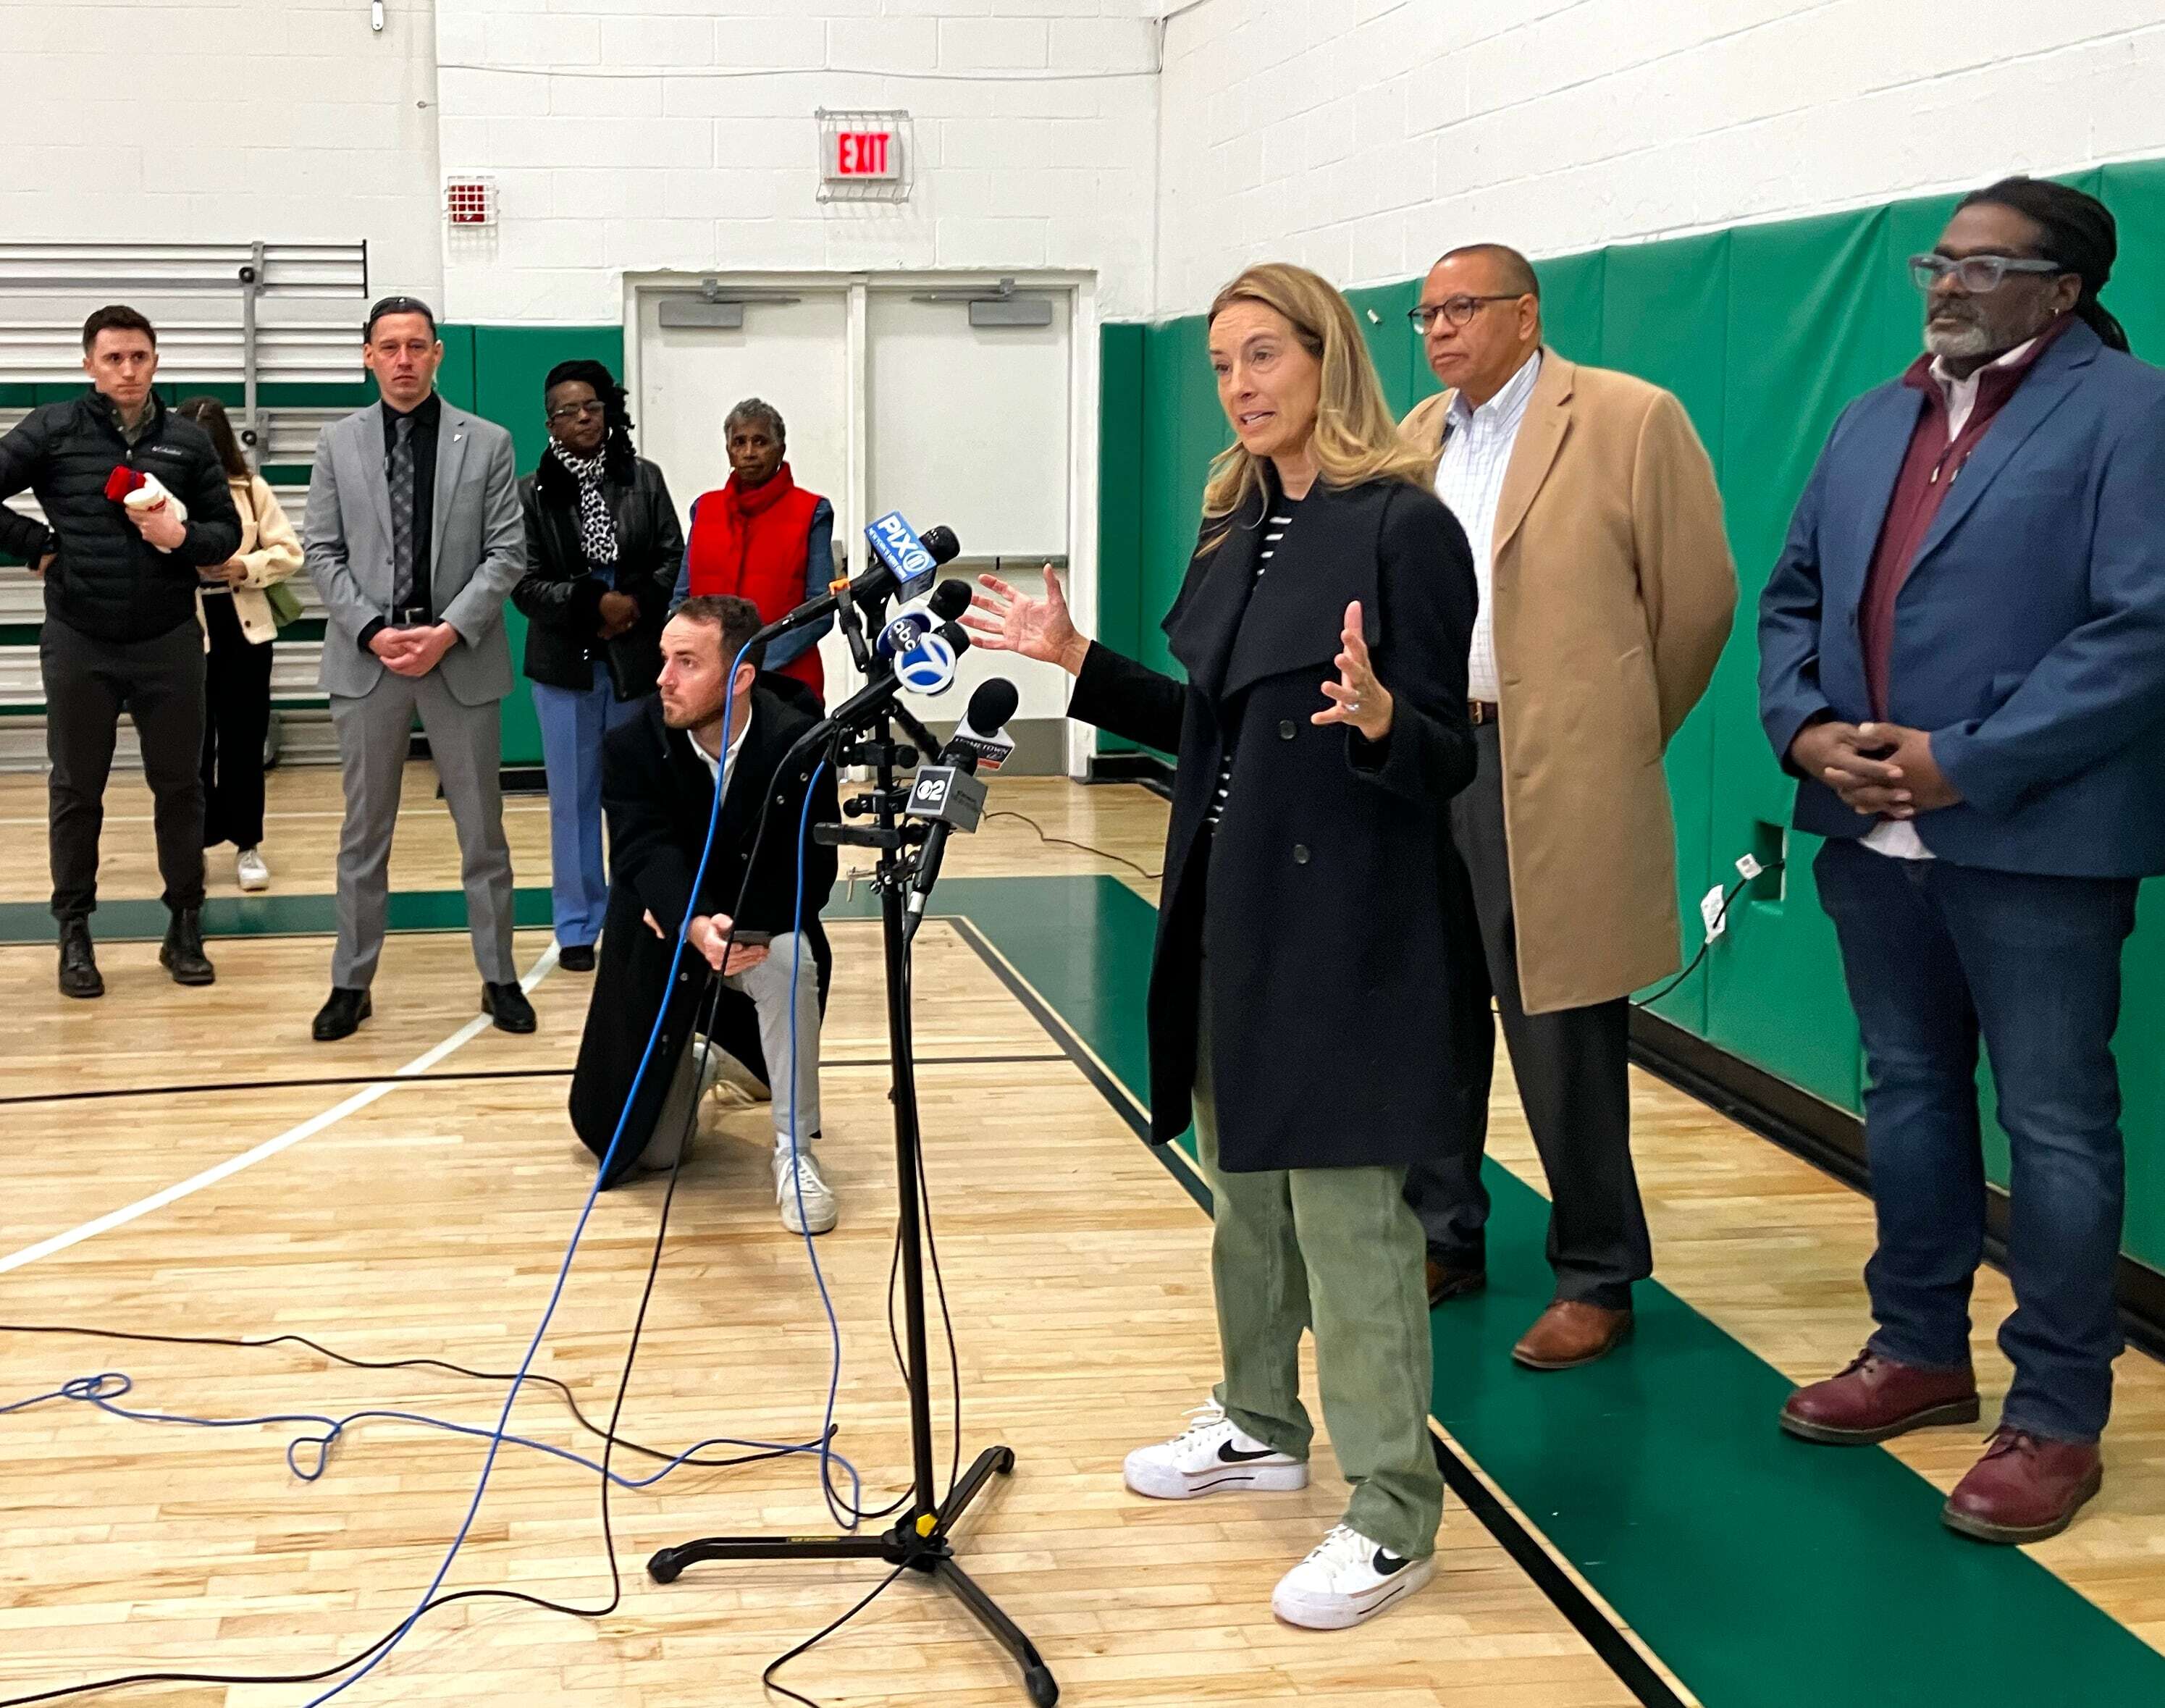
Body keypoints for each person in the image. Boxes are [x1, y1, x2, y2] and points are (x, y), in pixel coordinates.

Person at [966, 263, 1479, 1630]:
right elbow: (1209, 728)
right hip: (1228, 900)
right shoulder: (1229, 521)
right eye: (1222, 364)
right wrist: (1077, 654)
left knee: (1353, 1221)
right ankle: (1261, 1416)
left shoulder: (1404, 529)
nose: (1243, 383)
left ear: (1326, 359)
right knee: (1246, 1191)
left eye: (1265, 355)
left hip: (1356, 924)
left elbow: (1446, 756)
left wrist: (1379, 717)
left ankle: (1392, 1509)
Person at [1760, 177, 2165, 1545]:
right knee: (1910, 1088)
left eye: (1987, 267)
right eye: (1940, 260)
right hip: (1867, 831)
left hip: (2034, 838)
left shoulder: (2132, 412)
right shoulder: (1874, 416)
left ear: (2062, 290)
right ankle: (1918, 1345)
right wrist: (1810, 730)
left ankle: (2056, 1414)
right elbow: (1794, 597)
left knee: (2053, 1124)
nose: (1948, 284)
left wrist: (1964, 759)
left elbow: (2141, 633)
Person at [1396, 243, 1736, 1368]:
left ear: (1527, 312)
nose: (1440, 329)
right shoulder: (1415, 434)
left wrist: (1616, 732)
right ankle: (1444, 1235)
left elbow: (1694, 603)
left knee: (1562, 1032)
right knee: (1431, 1009)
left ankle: (1596, 1272)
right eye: (1425, 314)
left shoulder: (1630, 420)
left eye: (1462, 308)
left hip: (1549, 765)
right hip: (1425, 756)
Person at [567, 595, 841, 1233]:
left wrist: (725, 923)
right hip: (668, 943)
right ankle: (700, 1063)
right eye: (665, 659)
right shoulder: (633, 743)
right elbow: (642, 847)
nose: (663, 677)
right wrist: (692, 921)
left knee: (790, 957)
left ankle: (794, 1154)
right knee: (657, 1155)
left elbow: (812, 870)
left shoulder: (798, 742)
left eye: (686, 662)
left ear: (741, 675)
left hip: (753, 935)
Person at [303, 295, 530, 1042]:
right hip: (367, 661)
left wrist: (446, 632)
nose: (403, 359)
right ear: (368, 356)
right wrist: (371, 630)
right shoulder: (337, 443)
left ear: (436, 354)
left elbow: (506, 554)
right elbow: (321, 552)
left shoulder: (488, 442)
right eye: (389, 347)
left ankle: (499, 976)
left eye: (416, 346)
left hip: (456, 659)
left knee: (482, 832)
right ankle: (350, 980)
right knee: (363, 833)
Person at [0, 305, 241, 998]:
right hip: (81, 641)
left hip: (168, 640)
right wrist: (39, 548)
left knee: (183, 789)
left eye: (139, 357)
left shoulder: (188, 443)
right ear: (89, 364)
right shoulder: (53, 428)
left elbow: (225, 532)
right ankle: (73, 934)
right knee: (77, 789)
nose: (128, 370)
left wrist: (182, 542)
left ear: (156, 360)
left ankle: (185, 927)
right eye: (113, 359)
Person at [513, 360, 686, 974]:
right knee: (573, 799)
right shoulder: (529, 492)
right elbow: (524, 582)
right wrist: (591, 605)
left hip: (637, 657)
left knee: (635, 797)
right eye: (566, 410)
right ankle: (578, 924)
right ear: (550, 424)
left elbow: (672, 555)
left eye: (590, 406)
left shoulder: (645, 478)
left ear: (608, 409)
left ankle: (638, 913)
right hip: (566, 662)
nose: (581, 417)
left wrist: (632, 604)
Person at [173, 396, 303, 894]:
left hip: (245, 628)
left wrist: (243, 567)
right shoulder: (161, 494)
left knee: (245, 742)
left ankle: (248, 844)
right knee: (192, 745)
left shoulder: (250, 489)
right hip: (186, 631)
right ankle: (196, 845)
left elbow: (289, 551)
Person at [673, 398, 834, 704]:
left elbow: (821, 608)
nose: (749, 452)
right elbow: (682, 598)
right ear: (728, 451)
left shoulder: (812, 511)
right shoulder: (704, 508)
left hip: (786, 682)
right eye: (739, 442)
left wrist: (757, 663)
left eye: (760, 441)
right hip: (709, 684)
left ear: (781, 448)